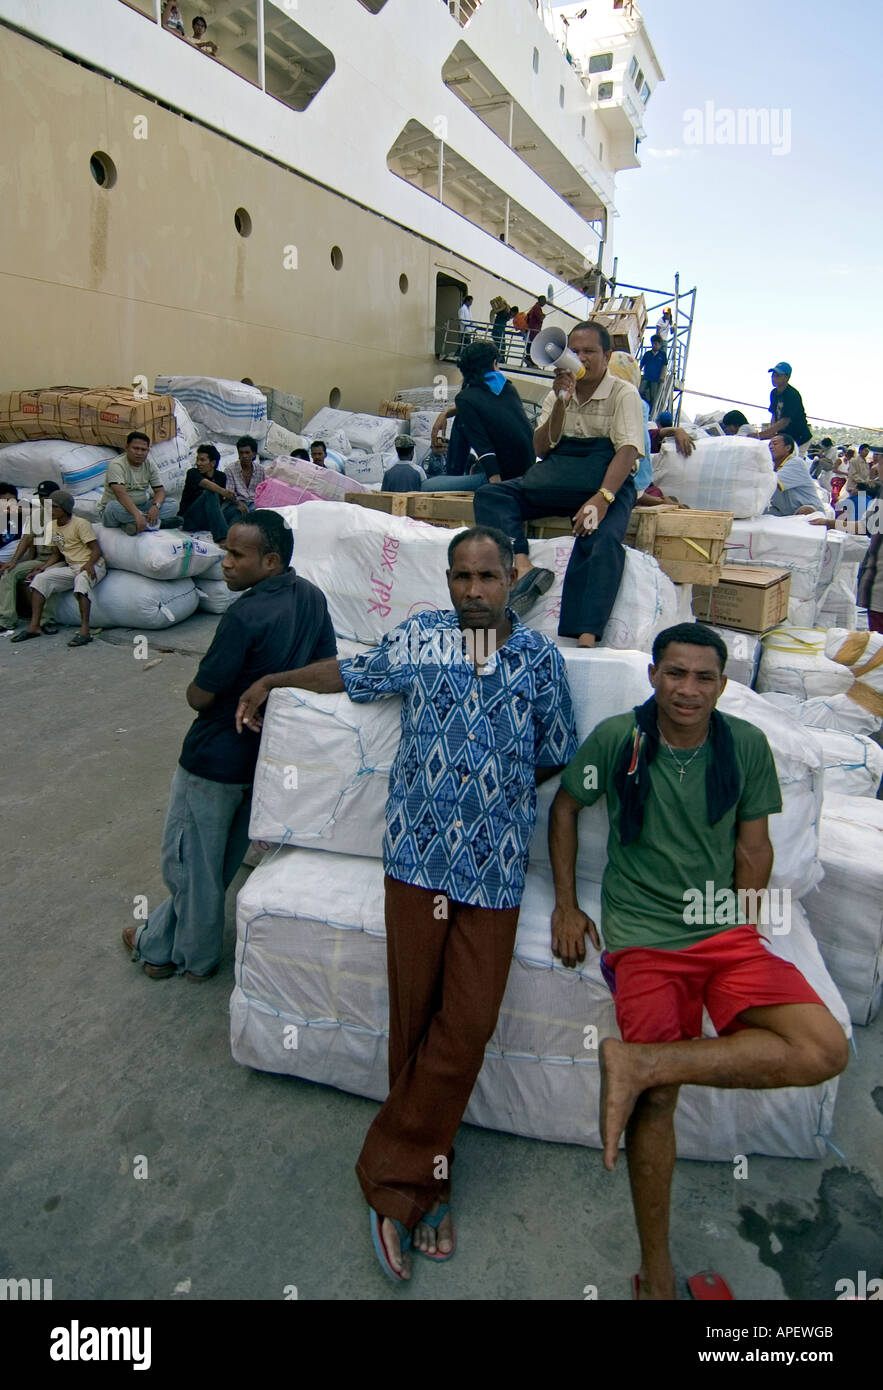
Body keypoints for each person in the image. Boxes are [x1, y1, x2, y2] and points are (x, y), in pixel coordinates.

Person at [234, 525, 578, 1282]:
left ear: (511, 576)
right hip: (417, 860)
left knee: (466, 1024)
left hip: (490, 871)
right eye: (461, 577)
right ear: (447, 579)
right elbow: (351, 673)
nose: (475, 592)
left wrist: (493, 793)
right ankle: (429, 1181)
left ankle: (395, 1175)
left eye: (489, 577)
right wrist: (272, 683)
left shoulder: (539, 660)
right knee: (413, 1017)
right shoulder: (420, 640)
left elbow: (556, 752)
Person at [548, 621, 848, 1300]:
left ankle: (642, 1059)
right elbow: (565, 808)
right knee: (655, 1105)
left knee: (823, 1050)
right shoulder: (616, 740)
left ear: (721, 684)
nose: (687, 690)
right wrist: (567, 905)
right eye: (674, 674)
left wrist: (742, 929)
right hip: (645, 937)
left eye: (703, 677)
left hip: (719, 930)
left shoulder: (743, 746)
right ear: (653, 675)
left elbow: (754, 848)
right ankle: (655, 1278)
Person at [122, 511, 336, 982]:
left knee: (187, 864)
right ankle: (157, 938)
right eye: (225, 551)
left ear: (272, 560)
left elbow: (199, 696)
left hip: (212, 761)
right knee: (216, 864)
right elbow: (328, 669)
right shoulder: (312, 599)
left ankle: (186, 958)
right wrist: (272, 685)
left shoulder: (243, 615)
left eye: (238, 555)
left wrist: (250, 683)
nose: (225, 564)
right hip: (261, 760)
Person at [474, 320, 644, 646]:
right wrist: (561, 403)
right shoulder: (558, 396)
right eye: (574, 351)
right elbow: (540, 448)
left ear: (607, 356)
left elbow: (626, 450)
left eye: (589, 352)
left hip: (605, 479)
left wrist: (602, 499)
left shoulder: (623, 394)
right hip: (561, 475)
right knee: (491, 495)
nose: (580, 358)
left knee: (603, 539)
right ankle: (521, 565)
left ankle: (585, 634)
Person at [430, 341, 535, 497]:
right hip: (527, 472)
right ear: (493, 363)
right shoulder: (508, 389)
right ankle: (456, 475)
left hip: (503, 478)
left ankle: (453, 474)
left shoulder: (466, 398)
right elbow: (486, 404)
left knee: (427, 485)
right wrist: (448, 412)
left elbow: (483, 446)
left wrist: (497, 487)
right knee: (461, 418)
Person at [11, 490, 105, 647]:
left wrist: (88, 565)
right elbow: (57, 553)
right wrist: (43, 568)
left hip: (93, 564)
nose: (50, 510)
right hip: (72, 566)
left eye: (54, 507)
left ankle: (85, 631)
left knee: (81, 582)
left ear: (65, 509)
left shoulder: (80, 524)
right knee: (40, 580)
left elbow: (95, 550)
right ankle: (34, 627)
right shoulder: (52, 527)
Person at [0, 479, 65, 635]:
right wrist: (14, 562)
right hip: (41, 559)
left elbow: (59, 552)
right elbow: (27, 539)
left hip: (59, 560)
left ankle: (46, 621)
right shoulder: (37, 515)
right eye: (41, 496)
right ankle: (7, 620)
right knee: (9, 573)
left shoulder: (61, 515)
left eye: (46, 496)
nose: (43, 500)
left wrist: (42, 568)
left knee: (47, 577)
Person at [99, 431, 180, 532]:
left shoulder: (149, 465)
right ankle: (157, 524)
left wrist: (156, 506)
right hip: (120, 508)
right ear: (127, 447)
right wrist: (136, 514)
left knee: (173, 504)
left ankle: (131, 525)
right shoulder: (117, 465)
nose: (139, 453)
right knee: (112, 507)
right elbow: (120, 494)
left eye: (143, 450)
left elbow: (160, 491)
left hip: (141, 507)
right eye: (135, 448)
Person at [179, 445, 240, 542]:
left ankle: (232, 536)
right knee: (210, 493)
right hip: (190, 519)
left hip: (208, 519)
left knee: (237, 510)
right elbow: (207, 485)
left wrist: (238, 504)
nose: (198, 463)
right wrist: (224, 492)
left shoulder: (221, 476)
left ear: (213, 463)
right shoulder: (192, 473)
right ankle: (222, 538)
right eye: (197, 460)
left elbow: (226, 499)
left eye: (202, 460)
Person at [759, 362, 812, 454]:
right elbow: (774, 415)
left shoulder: (792, 394)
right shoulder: (774, 393)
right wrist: (771, 433)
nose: (774, 378)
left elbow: (784, 421)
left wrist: (761, 435)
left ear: (787, 377)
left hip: (800, 437)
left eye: (778, 375)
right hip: (786, 438)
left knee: (794, 463)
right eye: (773, 375)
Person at [766, 435, 823, 516]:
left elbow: (773, 482)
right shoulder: (772, 467)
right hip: (785, 512)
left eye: (775, 444)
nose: (771, 447)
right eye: (769, 445)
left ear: (787, 448)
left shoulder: (795, 463)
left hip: (807, 510)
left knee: (806, 511)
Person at [226, 436, 266, 512]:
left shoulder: (261, 470)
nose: (244, 456)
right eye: (241, 453)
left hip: (255, 503)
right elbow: (230, 494)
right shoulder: (230, 470)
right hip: (236, 503)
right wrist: (239, 504)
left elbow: (264, 492)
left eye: (247, 453)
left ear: (254, 454)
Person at [638, 335, 667, 410]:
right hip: (646, 377)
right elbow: (641, 365)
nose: (654, 345)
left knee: (653, 396)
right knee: (640, 391)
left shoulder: (662, 355)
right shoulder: (647, 354)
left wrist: (662, 376)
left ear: (660, 345)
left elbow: (664, 366)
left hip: (655, 379)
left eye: (656, 344)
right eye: (653, 344)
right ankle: (640, 407)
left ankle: (651, 411)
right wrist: (637, 373)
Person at [523, 295, 548, 360]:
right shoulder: (537, 308)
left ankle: (529, 358)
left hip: (531, 330)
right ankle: (530, 358)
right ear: (541, 300)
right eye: (544, 301)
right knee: (533, 345)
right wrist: (543, 316)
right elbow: (540, 318)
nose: (545, 303)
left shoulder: (535, 307)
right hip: (534, 331)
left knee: (530, 345)